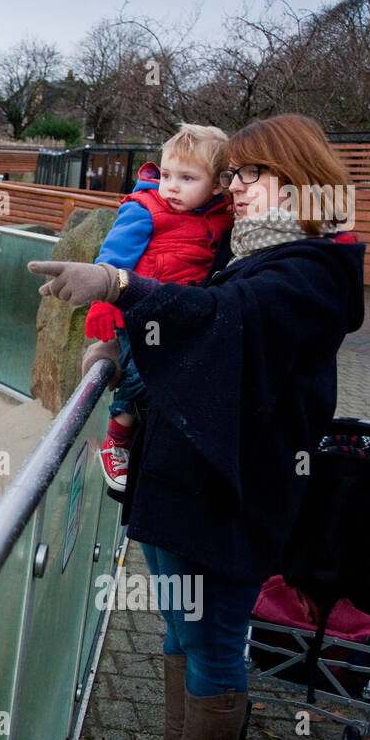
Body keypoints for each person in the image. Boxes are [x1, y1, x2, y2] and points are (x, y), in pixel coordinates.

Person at [28, 113, 364, 740]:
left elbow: (221, 320)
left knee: (211, 645)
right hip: (188, 488)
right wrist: (127, 355)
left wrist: (120, 285)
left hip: (231, 498)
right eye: (233, 172)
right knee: (184, 635)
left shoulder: (309, 270)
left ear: (299, 179)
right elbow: (202, 339)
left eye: (253, 172)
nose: (235, 184)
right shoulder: (254, 252)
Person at [85, 125, 234, 492]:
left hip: (182, 313)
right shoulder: (145, 209)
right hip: (141, 311)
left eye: (187, 178)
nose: (171, 186)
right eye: (166, 175)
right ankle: (116, 437)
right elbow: (114, 257)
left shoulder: (221, 214)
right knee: (144, 371)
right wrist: (104, 304)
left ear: (217, 185)